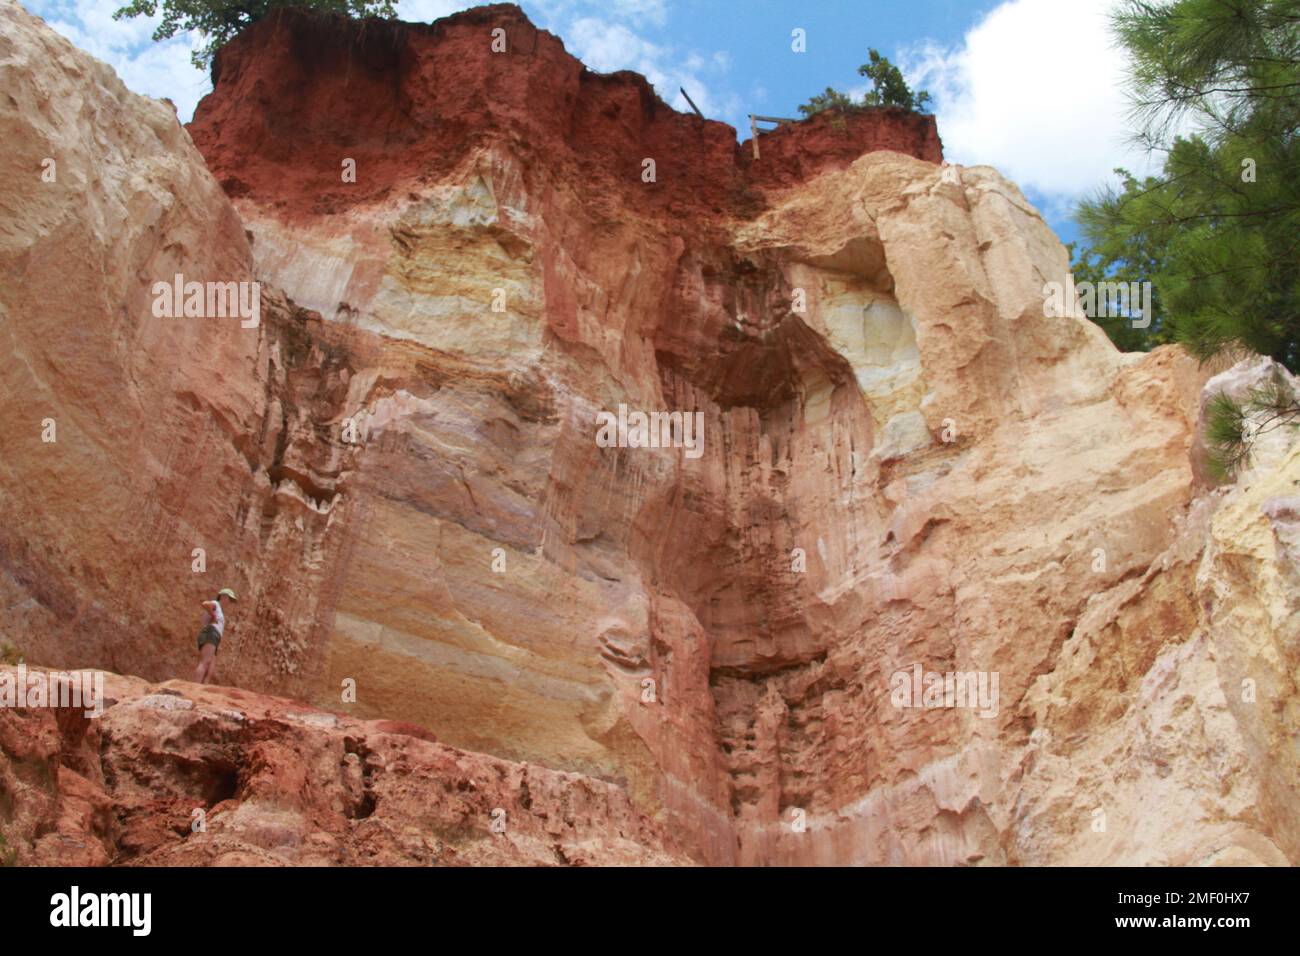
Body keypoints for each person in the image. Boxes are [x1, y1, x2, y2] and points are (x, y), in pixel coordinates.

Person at [194, 588, 237, 685]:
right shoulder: (216, 604)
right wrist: (213, 616)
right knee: (205, 662)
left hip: (214, 635)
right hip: (211, 632)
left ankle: (203, 688)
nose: (229, 602)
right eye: (229, 599)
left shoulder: (219, 609)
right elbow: (205, 604)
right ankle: (196, 687)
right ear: (223, 596)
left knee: (210, 667)